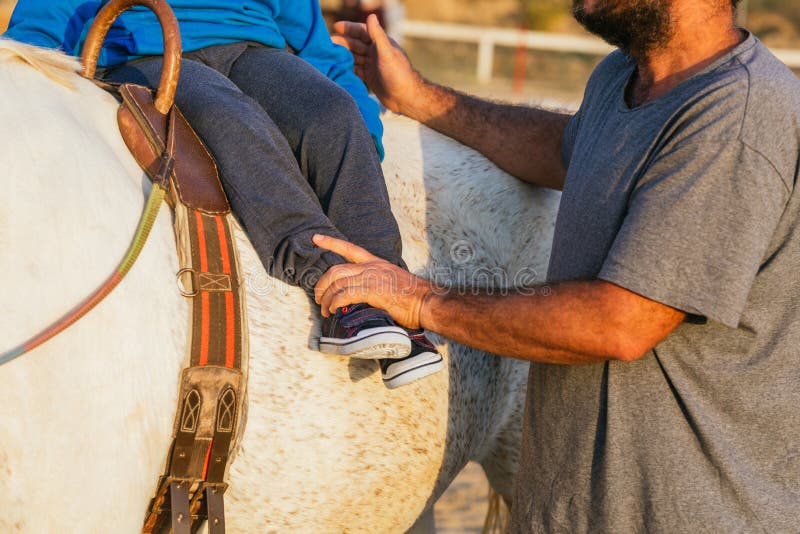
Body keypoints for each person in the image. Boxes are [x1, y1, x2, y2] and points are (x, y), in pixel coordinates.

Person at [319, 0, 800, 530]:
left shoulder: (736, 116)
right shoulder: (625, 76)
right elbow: (565, 150)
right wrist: (418, 97)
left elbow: (620, 322)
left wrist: (420, 300)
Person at [3, 0, 443, 389]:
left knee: (333, 116)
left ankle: (388, 291)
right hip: (147, 47)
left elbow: (311, 40)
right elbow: (44, 16)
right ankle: (336, 290)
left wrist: (361, 131)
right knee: (233, 120)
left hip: (254, 48)